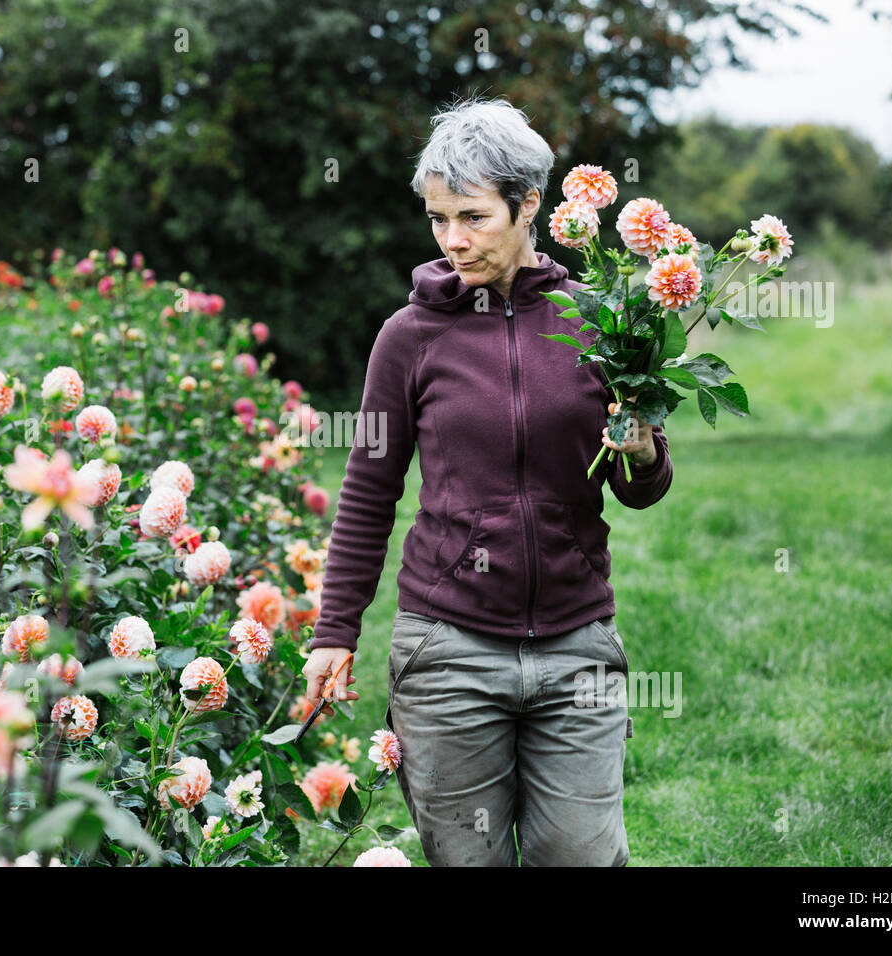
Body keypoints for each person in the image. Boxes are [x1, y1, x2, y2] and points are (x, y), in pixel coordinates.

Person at [302, 95, 673, 866]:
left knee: (581, 855)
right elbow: (371, 489)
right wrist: (335, 631)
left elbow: (639, 485)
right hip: (448, 651)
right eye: (439, 218)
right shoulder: (408, 339)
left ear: (528, 203)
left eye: (473, 217)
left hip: (577, 645)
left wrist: (640, 450)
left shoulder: (600, 323)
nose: (452, 239)